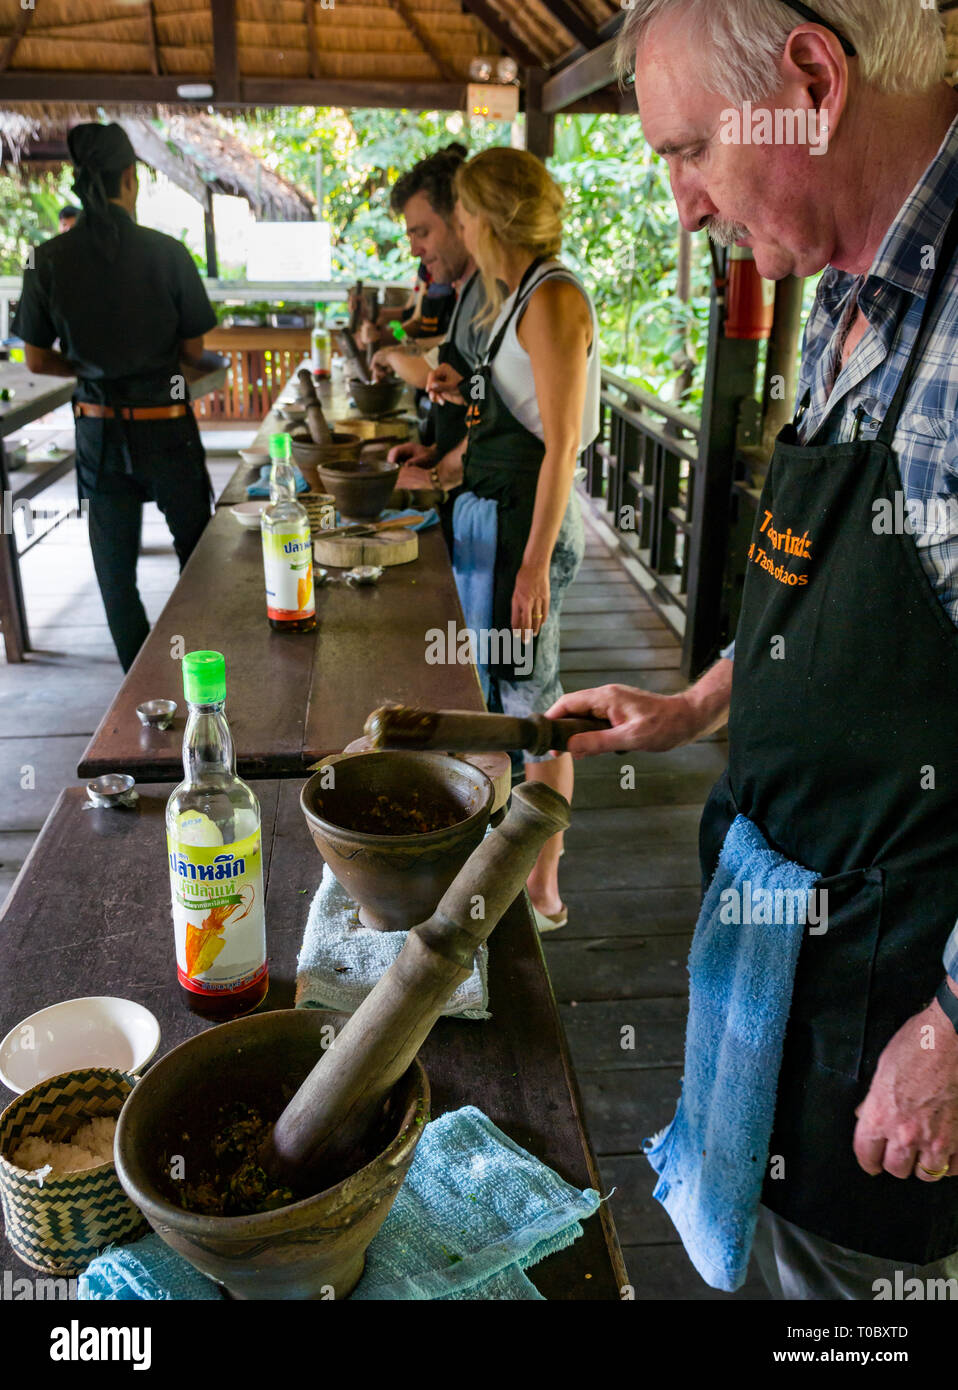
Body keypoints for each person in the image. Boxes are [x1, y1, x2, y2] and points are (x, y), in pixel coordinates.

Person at [550, 0, 958, 1299]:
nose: (676, 204)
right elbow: (852, 606)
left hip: (895, 999)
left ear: (808, 78)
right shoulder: (854, 279)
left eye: (684, 150)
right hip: (789, 930)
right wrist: (697, 705)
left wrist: (952, 1031)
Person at [427, 148, 601, 931]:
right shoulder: (514, 295)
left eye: (463, 213)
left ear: (490, 217)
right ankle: (507, 864)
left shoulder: (553, 297)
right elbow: (508, 423)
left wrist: (532, 567)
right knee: (502, 695)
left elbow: (561, 443)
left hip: (530, 530)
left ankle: (543, 886)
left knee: (537, 707)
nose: (457, 226)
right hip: (500, 517)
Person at [14, 123, 217, 673]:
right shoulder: (168, 253)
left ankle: (142, 686)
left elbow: (34, 358)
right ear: (130, 178)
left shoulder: (47, 258)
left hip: (100, 432)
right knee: (199, 561)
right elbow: (195, 348)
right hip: (168, 426)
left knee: (115, 572)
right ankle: (201, 674)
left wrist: (84, 366)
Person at [376, 145, 492, 505]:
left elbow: (504, 418)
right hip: (464, 483)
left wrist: (393, 354)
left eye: (422, 232)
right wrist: (438, 451)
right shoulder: (455, 286)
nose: (414, 250)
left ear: (461, 219)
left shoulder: (495, 293)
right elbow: (412, 325)